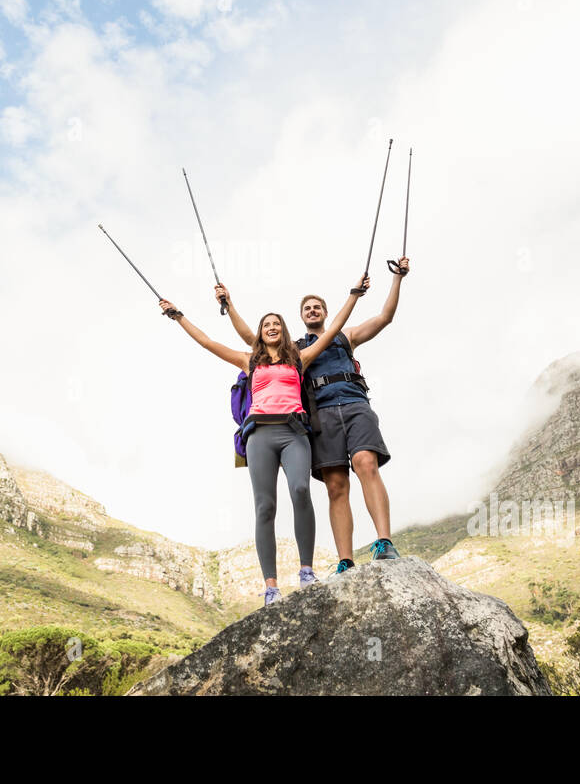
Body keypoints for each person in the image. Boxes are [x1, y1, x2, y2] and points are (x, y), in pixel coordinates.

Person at [158, 274, 368, 605]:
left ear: (284, 331)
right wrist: (179, 315)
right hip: (259, 435)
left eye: (277, 324)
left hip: (294, 432)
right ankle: (270, 585)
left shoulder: (301, 357)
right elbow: (207, 341)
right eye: (266, 324)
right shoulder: (249, 361)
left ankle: (306, 571)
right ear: (260, 332)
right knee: (265, 507)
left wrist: (354, 295)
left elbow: (333, 329)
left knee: (300, 490)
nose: (272, 327)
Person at [217, 256, 408, 575]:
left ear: (325, 311)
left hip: (353, 402)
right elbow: (252, 340)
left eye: (317, 306)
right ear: (301, 317)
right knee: (335, 484)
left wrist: (397, 279)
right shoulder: (292, 349)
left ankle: (384, 542)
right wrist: (230, 305)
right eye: (306, 308)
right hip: (320, 415)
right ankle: (345, 560)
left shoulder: (346, 335)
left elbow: (385, 316)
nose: (312, 310)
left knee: (366, 463)